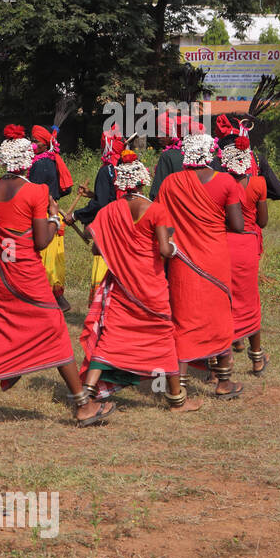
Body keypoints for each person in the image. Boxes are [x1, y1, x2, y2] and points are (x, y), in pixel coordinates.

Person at [0, 134, 115, 429]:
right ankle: (82, 405)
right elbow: (41, 242)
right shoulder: (36, 192)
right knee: (54, 331)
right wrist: (54, 218)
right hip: (27, 277)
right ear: (27, 160)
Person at [79, 151, 201, 413]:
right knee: (164, 336)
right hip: (151, 286)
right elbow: (164, 251)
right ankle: (176, 400)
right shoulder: (156, 210)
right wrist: (174, 247)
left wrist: (119, 248)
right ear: (143, 180)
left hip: (122, 286)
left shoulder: (110, 211)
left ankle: (87, 394)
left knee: (111, 338)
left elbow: (97, 249)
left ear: (121, 183)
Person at [155, 131, 245, 398]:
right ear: (211, 153)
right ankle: (224, 381)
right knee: (219, 317)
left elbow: (161, 220)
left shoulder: (170, 183)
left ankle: (178, 384)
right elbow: (238, 226)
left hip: (182, 260)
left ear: (186, 154)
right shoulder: (226, 182)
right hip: (215, 259)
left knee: (184, 319)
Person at [219, 134, 269, 377]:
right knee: (250, 300)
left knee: (225, 300)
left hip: (224, 244)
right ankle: (257, 358)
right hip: (248, 245)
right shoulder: (258, 184)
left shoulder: (220, 183)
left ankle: (224, 356)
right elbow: (263, 221)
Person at [75, 125, 127, 299]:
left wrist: (76, 215)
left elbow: (101, 204)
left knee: (105, 263)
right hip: (124, 224)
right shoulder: (126, 167)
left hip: (109, 227)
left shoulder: (106, 170)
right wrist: (91, 194)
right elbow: (111, 195)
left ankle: (103, 301)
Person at [28, 124, 75, 312]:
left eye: (35, 141)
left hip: (45, 217)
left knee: (46, 259)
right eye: (31, 140)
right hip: (51, 213)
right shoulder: (51, 160)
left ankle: (49, 300)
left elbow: (35, 191)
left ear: (45, 144)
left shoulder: (40, 164)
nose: (32, 144)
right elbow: (65, 188)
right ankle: (57, 301)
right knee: (52, 259)